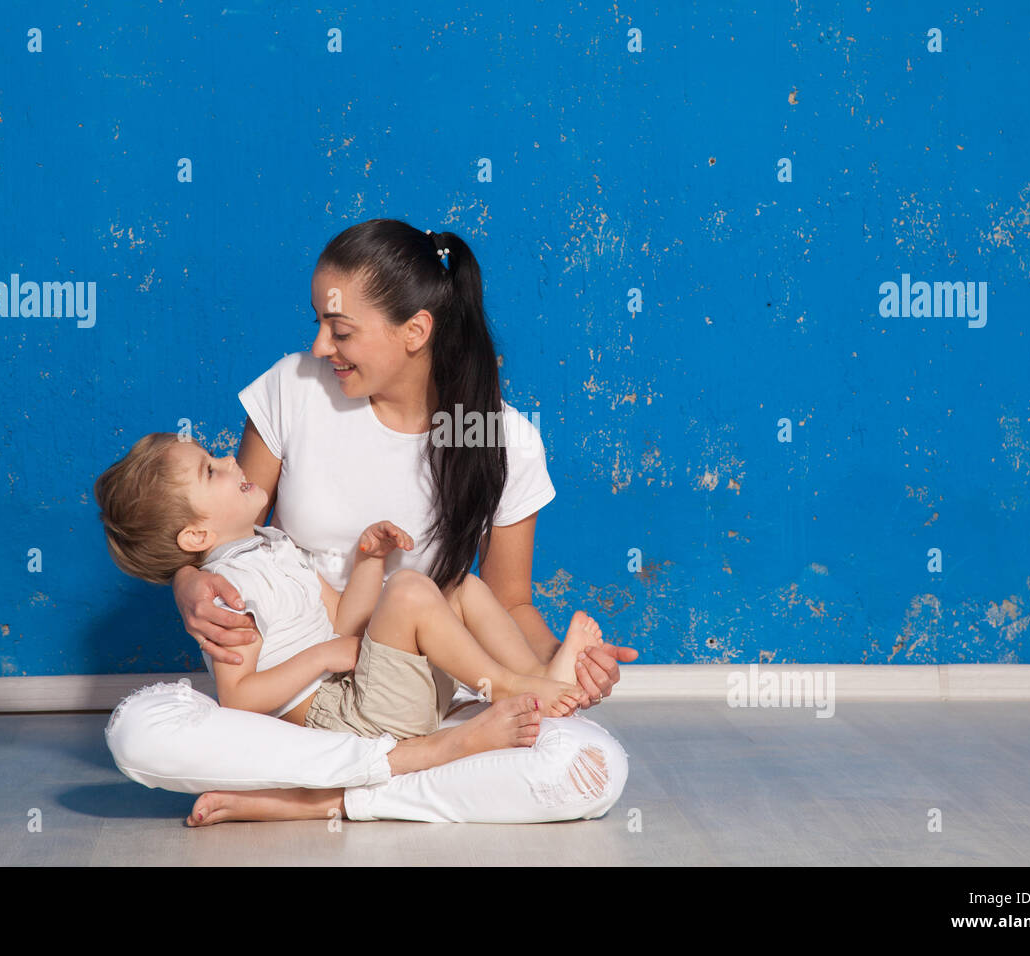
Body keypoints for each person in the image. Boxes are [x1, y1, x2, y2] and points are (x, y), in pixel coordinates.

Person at [104, 218, 638, 825]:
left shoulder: (502, 438)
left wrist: (566, 667)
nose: (319, 347)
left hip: (431, 680)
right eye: (318, 323)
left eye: (340, 330)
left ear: (415, 331)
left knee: (590, 768)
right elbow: (215, 529)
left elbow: (508, 601)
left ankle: (337, 791)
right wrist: (186, 581)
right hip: (319, 702)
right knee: (137, 730)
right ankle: (406, 768)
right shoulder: (294, 388)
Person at [94, 431, 600, 736]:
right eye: (210, 471)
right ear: (196, 535)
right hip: (343, 713)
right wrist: (322, 657)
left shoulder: (274, 547)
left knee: (458, 585)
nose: (229, 460)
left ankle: (538, 674)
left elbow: (342, 620)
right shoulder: (227, 590)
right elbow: (239, 697)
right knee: (409, 590)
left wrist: (369, 562)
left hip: (373, 690)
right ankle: (508, 688)